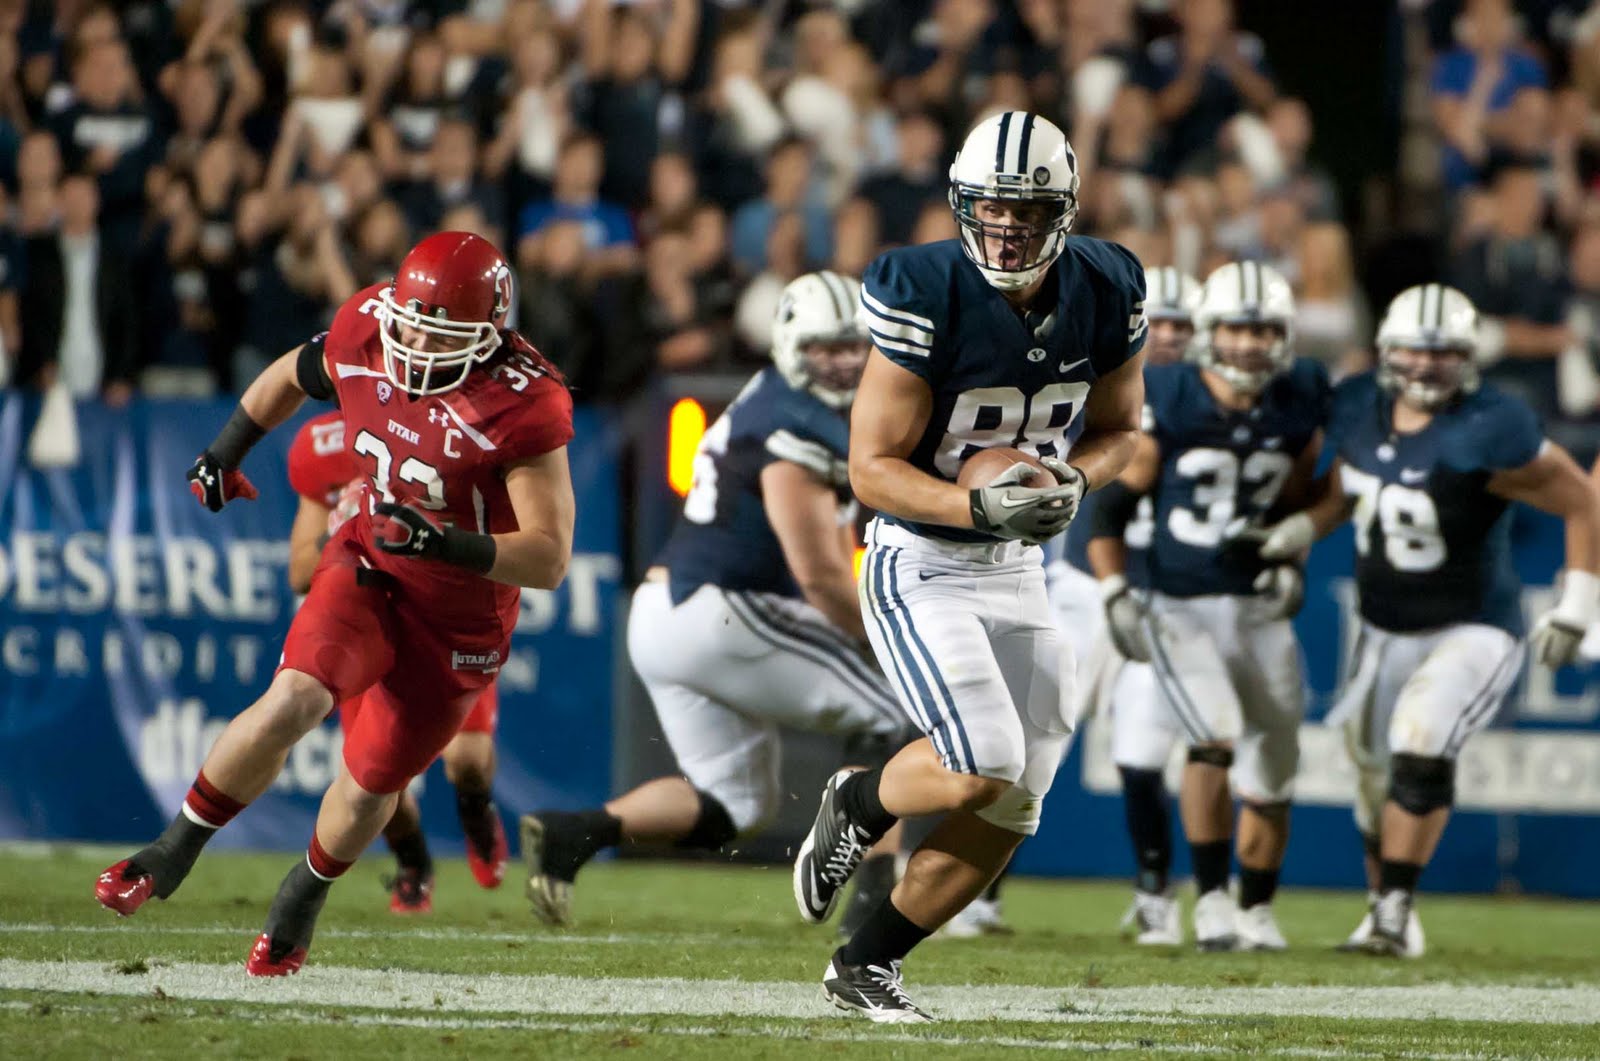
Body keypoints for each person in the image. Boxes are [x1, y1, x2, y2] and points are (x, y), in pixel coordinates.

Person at [94, 232, 576, 977]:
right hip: (369, 563)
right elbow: (290, 372)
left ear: (488, 336)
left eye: (437, 332)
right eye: (410, 323)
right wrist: (226, 451)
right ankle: (174, 845)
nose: (413, 342)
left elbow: (548, 554)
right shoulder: (367, 329)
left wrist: (448, 545)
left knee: (371, 783)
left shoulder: (525, 400)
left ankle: (304, 891)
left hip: (460, 617)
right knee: (293, 696)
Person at [792, 111, 1148, 1023]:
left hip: (1018, 564)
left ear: (1063, 211)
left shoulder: (1107, 285)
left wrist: (1078, 477)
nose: (1006, 229)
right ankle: (861, 797)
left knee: (1018, 798)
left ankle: (867, 965)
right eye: (990, 209)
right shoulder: (924, 288)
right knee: (981, 760)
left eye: (1027, 212)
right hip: (921, 558)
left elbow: (1120, 433)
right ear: (961, 204)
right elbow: (871, 468)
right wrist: (972, 504)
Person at [519, 270, 907, 933]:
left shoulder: (775, 397)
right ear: (789, 345)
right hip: (720, 608)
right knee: (899, 706)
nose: (842, 361)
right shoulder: (797, 422)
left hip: (668, 612)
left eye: (852, 346)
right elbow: (817, 572)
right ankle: (870, 896)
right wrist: (884, 637)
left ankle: (577, 831)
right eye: (824, 348)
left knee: (735, 802)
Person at [1300, 284, 1600, 957]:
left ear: (1468, 357)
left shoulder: (1491, 423)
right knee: (1374, 778)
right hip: (1380, 626)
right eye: (1414, 348)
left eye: (1444, 351)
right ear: (1385, 352)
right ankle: (1386, 909)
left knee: (1423, 737)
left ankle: (1395, 910)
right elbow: (1347, 486)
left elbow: (1583, 500)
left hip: (1473, 624)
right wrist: (1299, 528)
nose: (1428, 363)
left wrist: (1580, 602)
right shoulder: (1357, 408)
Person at [1091, 261, 1328, 953]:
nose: (1250, 343)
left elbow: (1302, 495)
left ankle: (1256, 906)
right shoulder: (1168, 392)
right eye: (1236, 328)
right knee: (1213, 737)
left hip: (1257, 608)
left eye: (1263, 329)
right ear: (1209, 332)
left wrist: (1293, 557)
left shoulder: (1302, 395)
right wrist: (1114, 593)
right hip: (1179, 603)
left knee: (1275, 766)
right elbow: (1108, 509)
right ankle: (1214, 899)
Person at [283, 410, 511, 913]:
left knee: (469, 762)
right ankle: (414, 864)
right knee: (377, 790)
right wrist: (343, 530)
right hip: (365, 625)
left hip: (444, 617)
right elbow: (301, 570)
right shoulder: (321, 445)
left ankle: (476, 810)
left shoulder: (453, 421)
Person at [1047, 266, 1200, 947]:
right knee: (1033, 741)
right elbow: (1131, 468)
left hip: (1162, 596)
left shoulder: (1206, 398)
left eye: (1180, 326)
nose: (1166, 336)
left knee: (1142, 755)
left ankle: (1154, 897)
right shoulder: (1101, 375)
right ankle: (978, 892)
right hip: (1086, 585)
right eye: (1157, 322)